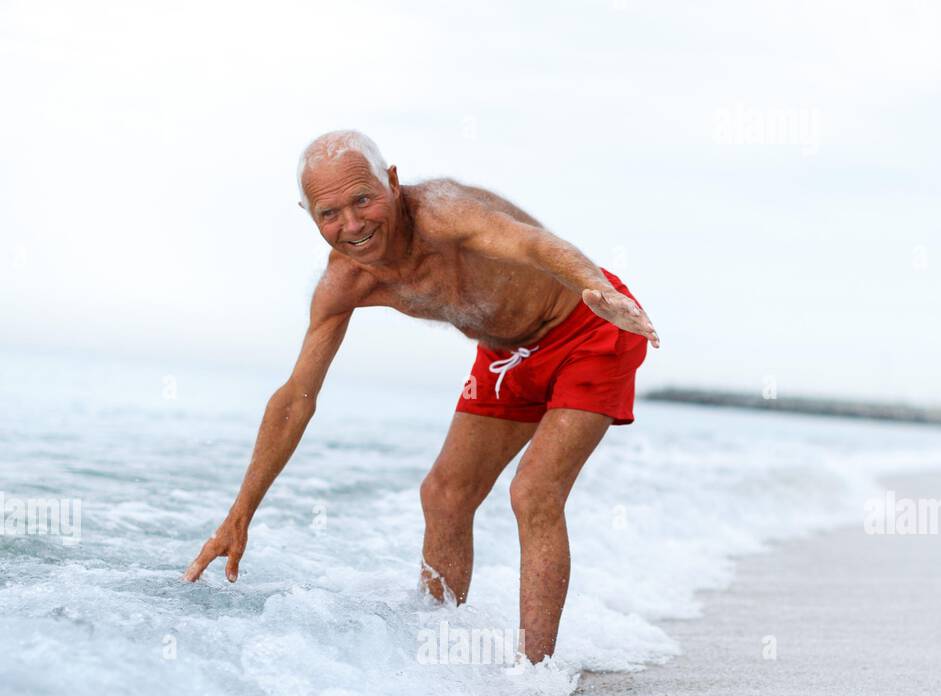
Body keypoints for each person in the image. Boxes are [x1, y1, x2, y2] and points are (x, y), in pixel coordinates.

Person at [184, 130, 659, 662]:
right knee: (443, 495)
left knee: (533, 492)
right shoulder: (344, 283)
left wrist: (599, 288)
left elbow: (533, 245)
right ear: (309, 216)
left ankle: (536, 678)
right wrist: (240, 512)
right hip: (505, 354)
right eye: (330, 213)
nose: (353, 225)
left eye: (363, 199)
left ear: (391, 182)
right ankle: (440, 652)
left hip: (589, 322)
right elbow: (296, 397)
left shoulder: (443, 214)